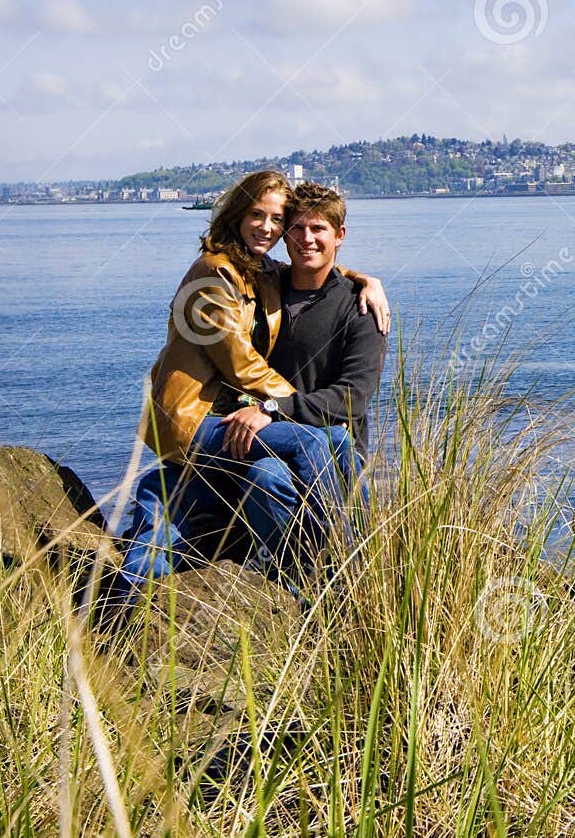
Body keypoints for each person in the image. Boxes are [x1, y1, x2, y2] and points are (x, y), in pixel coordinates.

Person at [113, 170, 388, 600]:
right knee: (324, 439)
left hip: (238, 423)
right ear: (238, 215)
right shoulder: (214, 276)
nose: (270, 228)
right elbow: (242, 366)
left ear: (339, 235)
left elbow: (354, 394)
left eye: (277, 220)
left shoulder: (264, 276)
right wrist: (280, 409)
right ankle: (350, 566)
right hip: (198, 419)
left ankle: (129, 602)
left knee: (163, 488)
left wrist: (363, 278)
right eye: (261, 216)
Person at [216, 181, 387, 567]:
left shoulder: (360, 308)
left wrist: (274, 408)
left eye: (318, 229)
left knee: (272, 475)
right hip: (270, 444)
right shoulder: (262, 289)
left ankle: (342, 569)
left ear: (339, 235)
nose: (306, 239)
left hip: (334, 454)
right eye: (296, 228)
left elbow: (353, 397)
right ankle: (293, 578)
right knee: (265, 476)